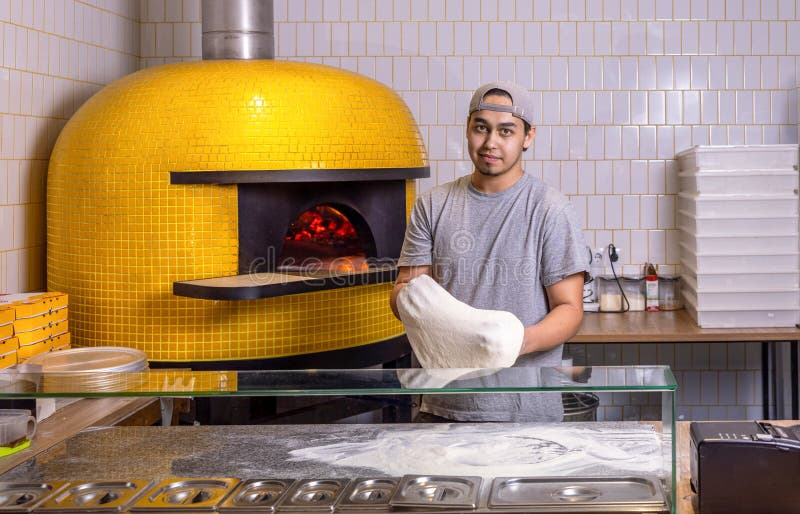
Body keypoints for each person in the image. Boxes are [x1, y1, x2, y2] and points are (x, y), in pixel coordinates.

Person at [389, 81, 589, 422]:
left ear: (527, 137)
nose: (490, 142)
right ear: (468, 130)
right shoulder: (433, 205)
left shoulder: (550, 209)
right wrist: (406, 299)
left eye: (506, 131)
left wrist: (512, 342)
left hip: (526, 413)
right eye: (481, 128)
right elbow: (404, 294)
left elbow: (569, 309)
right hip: (445, 410)